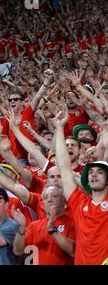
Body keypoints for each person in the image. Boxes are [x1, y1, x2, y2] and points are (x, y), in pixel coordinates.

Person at [54, 106, 108, 265]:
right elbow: (64, 166)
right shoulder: (79, 202)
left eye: (100, 172)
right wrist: (59, 128)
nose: (93, 175)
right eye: (91, 172)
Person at [12, 185, 75, 265]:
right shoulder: (34, 226)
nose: (49, 200)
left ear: (64, 201)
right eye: (45, 197)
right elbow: (18, 251)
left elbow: (73, 251)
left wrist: (53, 231)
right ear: (42, 203)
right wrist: (21, 229)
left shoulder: (73, 223)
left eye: (55, 196)